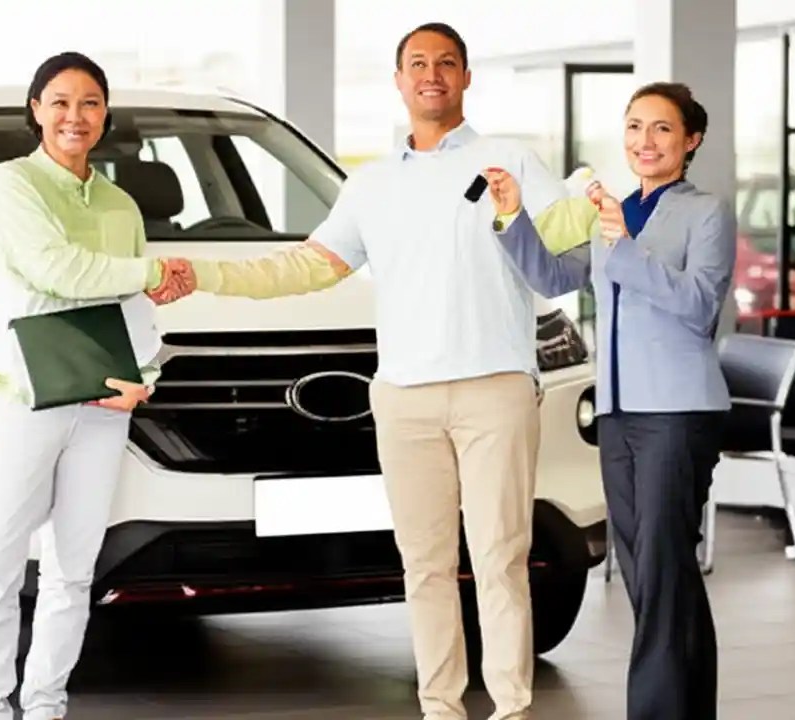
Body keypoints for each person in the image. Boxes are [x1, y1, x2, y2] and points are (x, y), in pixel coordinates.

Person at [160, 23, 596, 720]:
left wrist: (516, 216)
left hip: (496, 393)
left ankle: (513, 708)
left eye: (446, 63)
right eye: (417, 64)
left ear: (465, 77)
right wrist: (202, 272)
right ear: (399, 81)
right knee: (423, 567)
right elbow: (303, 267)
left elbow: (567, 269)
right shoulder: (373, 185)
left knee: (499, 560)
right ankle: (441, 707)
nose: (432, 74)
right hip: (402, 400)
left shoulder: (509, 160)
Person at [485, 81, 735, 720]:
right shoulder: (614, 211)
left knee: (659, 565)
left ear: (690, 140)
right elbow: (554, 277)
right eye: (633, 127)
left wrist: (622, 248)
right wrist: (512, 217)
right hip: (619, 412)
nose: (643, 141)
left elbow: (699, 305)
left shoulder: (706, 213)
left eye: (660, 129)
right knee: (650, 570)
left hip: (679, 412)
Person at [0, 51, 192, 720]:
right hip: (21, 401)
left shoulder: (120, 204)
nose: (75, 115)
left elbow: (135, 311)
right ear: (35, 110)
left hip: (102, 406)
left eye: (89, 102)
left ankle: (46, 704)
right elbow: (55, 270)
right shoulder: (11, 187)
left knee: (74, 570)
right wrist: (149, 271)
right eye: (60, 101)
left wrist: (141, 380)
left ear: (105, 115)